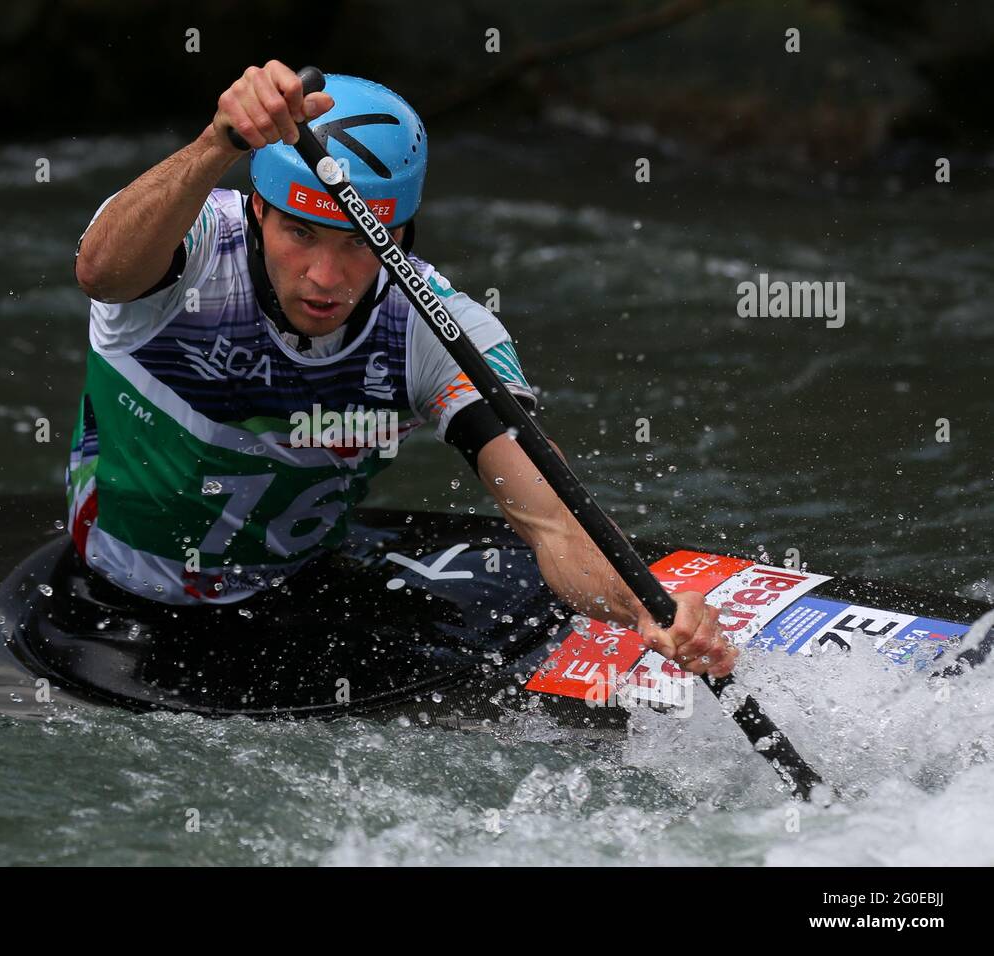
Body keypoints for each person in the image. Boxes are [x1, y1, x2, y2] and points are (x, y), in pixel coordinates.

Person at [69, 61, 736, 678]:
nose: (325, 280)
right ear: (258, 210)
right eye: (300, 233)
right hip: (111, 592)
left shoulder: (436, 327)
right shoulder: (186, 245)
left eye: (360, 243)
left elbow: (553, 521)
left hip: (298, 592)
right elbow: (99, 271)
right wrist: (218, 143)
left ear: (402, 234)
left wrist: (644, 605)